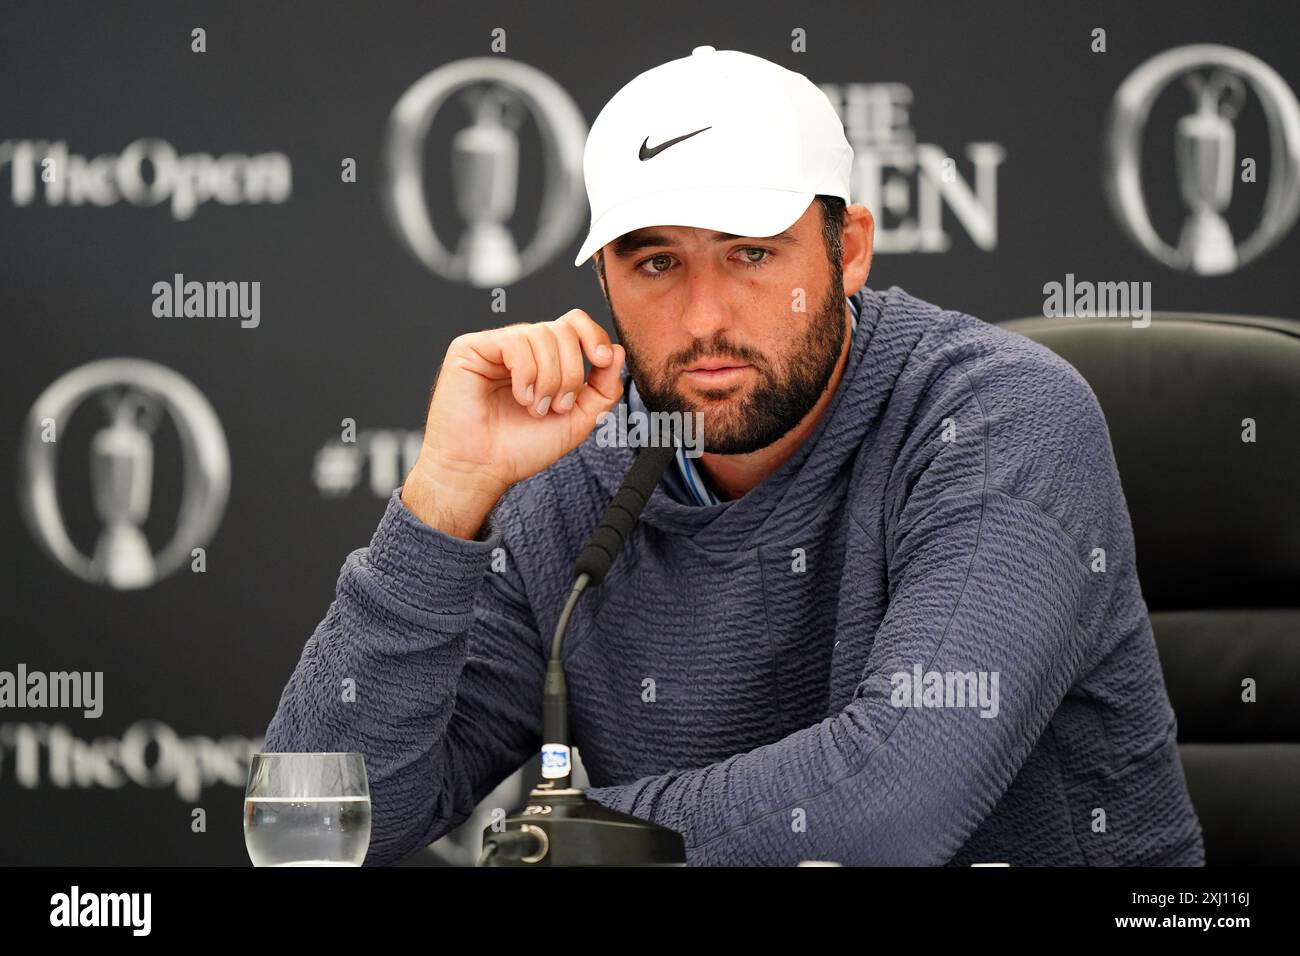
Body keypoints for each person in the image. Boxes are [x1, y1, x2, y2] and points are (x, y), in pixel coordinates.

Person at [264, 46, 1204, 866]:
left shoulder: (999, 418)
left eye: (751, 254)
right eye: (657, 262)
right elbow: (316, 830)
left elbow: (897, 805)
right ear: (604, 281)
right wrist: (444, 498)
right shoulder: (572, 474)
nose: (704, 318)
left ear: (849, 251)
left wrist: (578, 840)